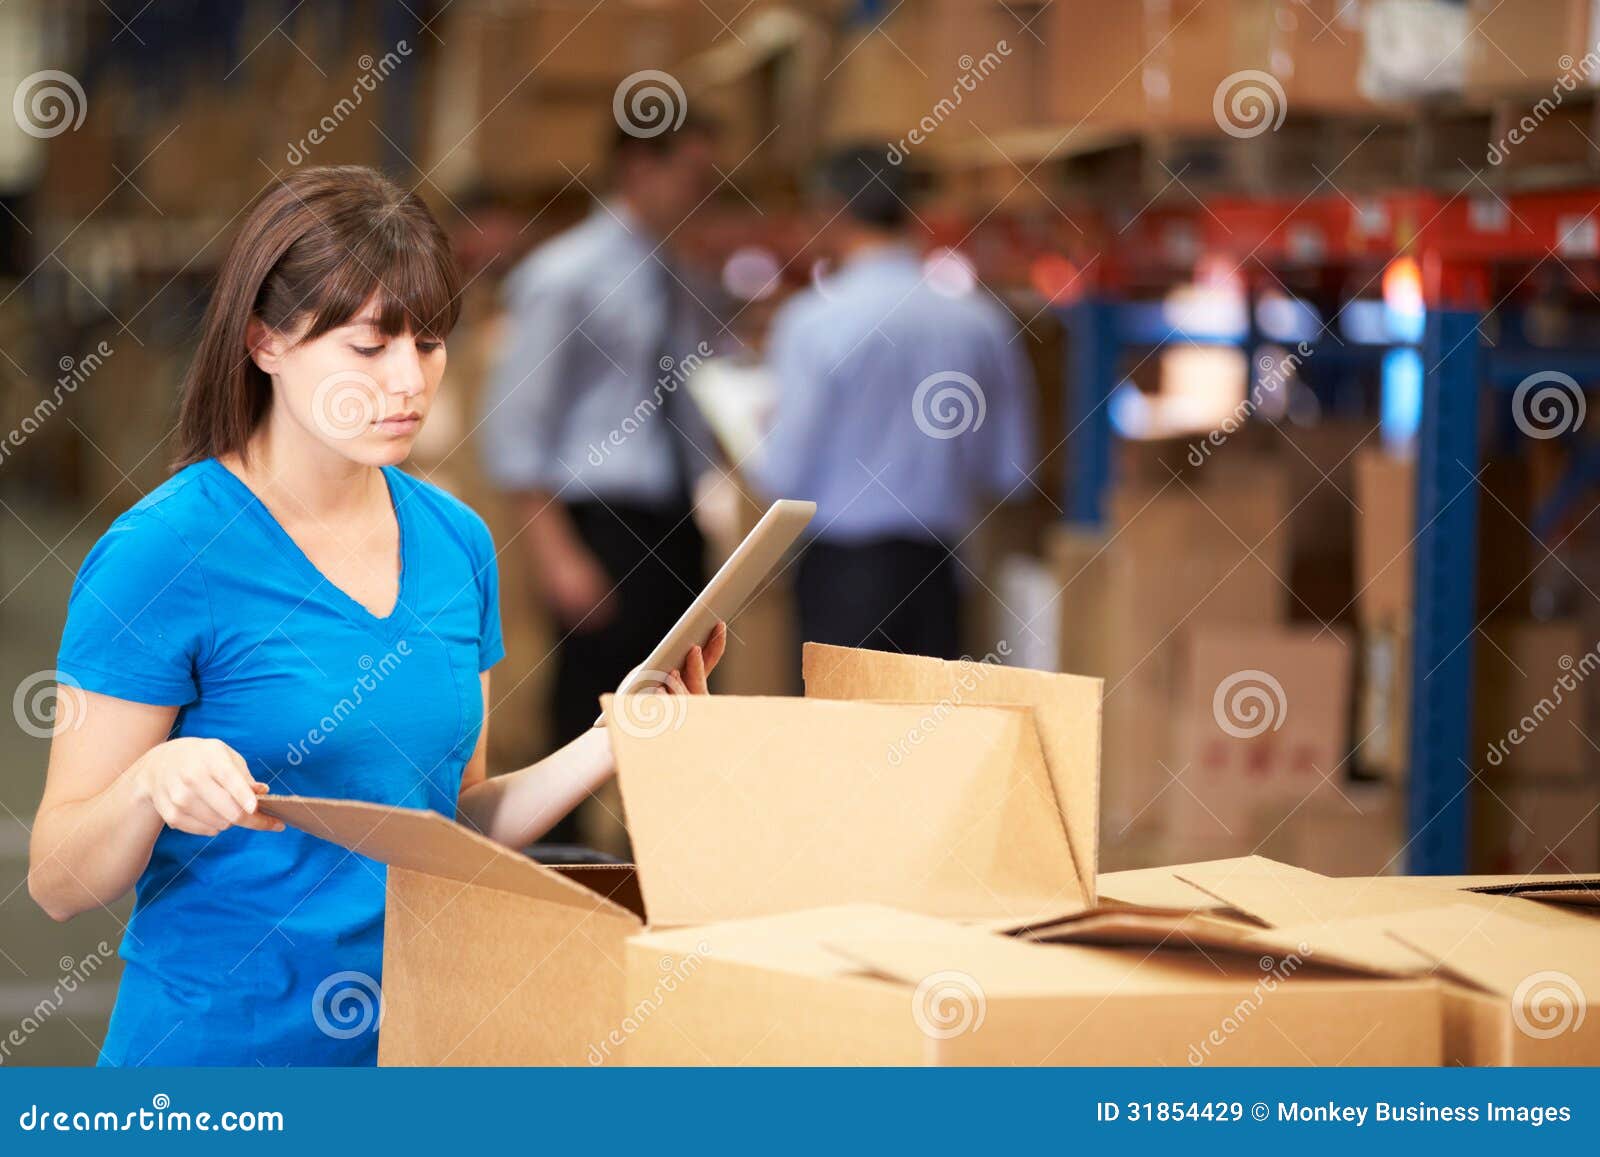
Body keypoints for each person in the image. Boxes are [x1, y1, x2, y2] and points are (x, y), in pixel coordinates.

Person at [26, 166, 725, 1067]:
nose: (408, 380)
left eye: (429, 342)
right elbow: (57, 881)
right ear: (265, 341)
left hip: (413, 1047)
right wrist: (147, 782)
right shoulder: (164, 552)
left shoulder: (456, 541)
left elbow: (448, 822)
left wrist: (615, 737)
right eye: (368, 346)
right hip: (222, 1059)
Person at [479, 117, 723, 839]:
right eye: (693, 177)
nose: (704, 195)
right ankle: (562, 873)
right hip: (600, 521)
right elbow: (518, 424)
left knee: (681, 708)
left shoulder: (677, 275)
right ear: (640, 169)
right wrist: (556, 551)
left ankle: (664, 875)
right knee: (585, 713)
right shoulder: (565, 275)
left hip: (674, 515)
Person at [750, 145, 1037, 660]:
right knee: (928, 713)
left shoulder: (812, 321)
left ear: (831, 211)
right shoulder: (979, 322)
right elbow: (1010, 472)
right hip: (937, 572)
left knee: (835, 714)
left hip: (839, 573)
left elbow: (782, 473)